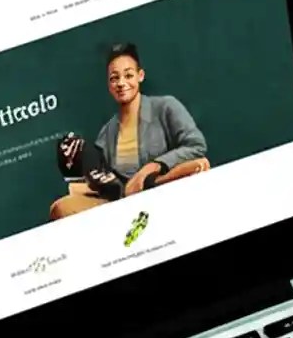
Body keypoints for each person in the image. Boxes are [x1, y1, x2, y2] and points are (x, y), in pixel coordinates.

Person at [50, 42, 211, 219]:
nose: (121, 83)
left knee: (199, 165)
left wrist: (150, 168)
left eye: (128, 75)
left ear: (140, 76)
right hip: (122, 201)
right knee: (61, 207)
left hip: (160, 185)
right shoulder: (107, 133)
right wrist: (77, 180)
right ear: (109, 85)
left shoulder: (166, 107)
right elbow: (107, 183)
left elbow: (196, 146)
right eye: (114, 78)